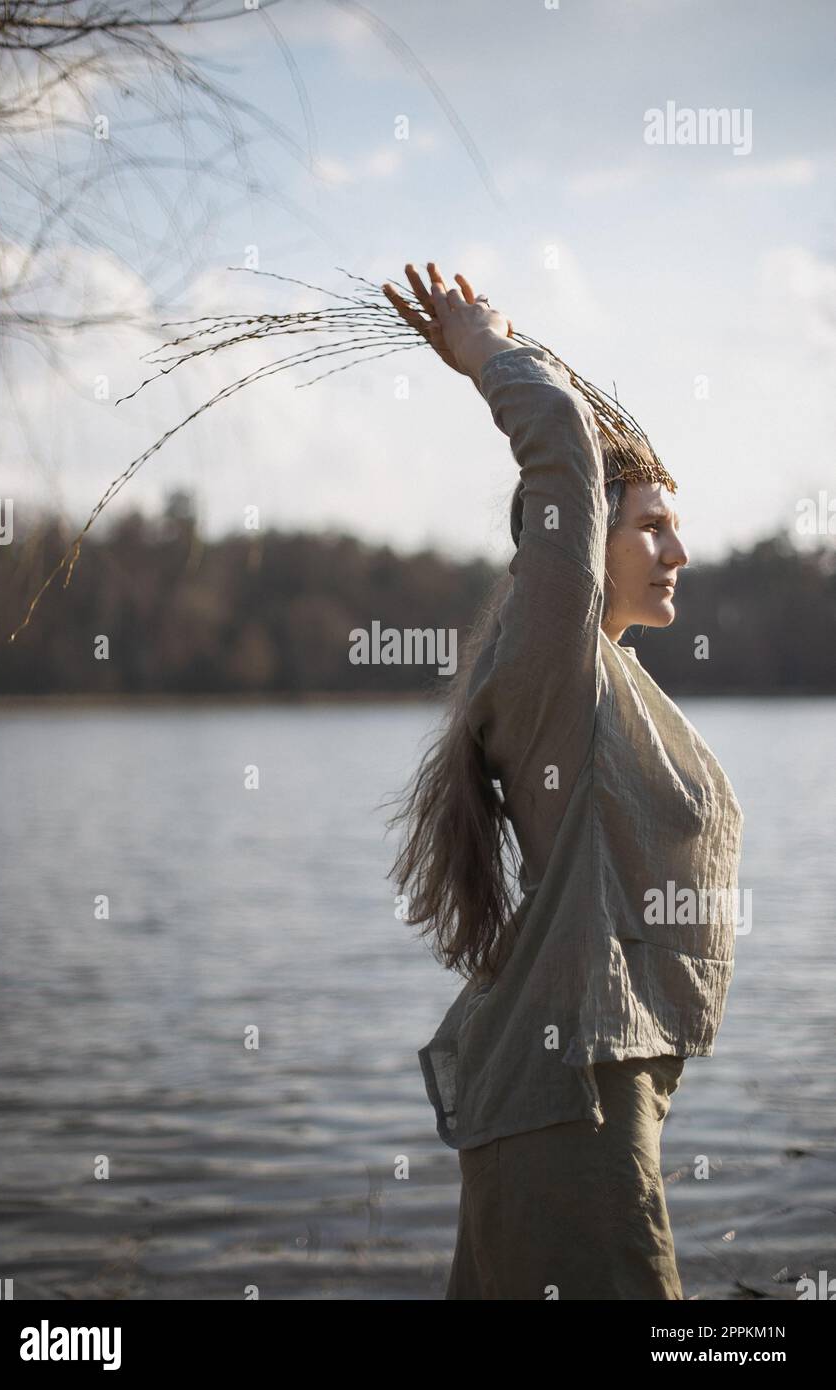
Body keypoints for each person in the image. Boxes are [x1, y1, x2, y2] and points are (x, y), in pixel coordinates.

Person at [382, 262, 745, 1300]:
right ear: (585, 544)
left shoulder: (605, 681)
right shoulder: (552, 665)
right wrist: (494, 356)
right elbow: (565, 466)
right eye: (649, 525)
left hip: (581, 1093)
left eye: (674, 523)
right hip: (567, 1106)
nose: (678, 547)